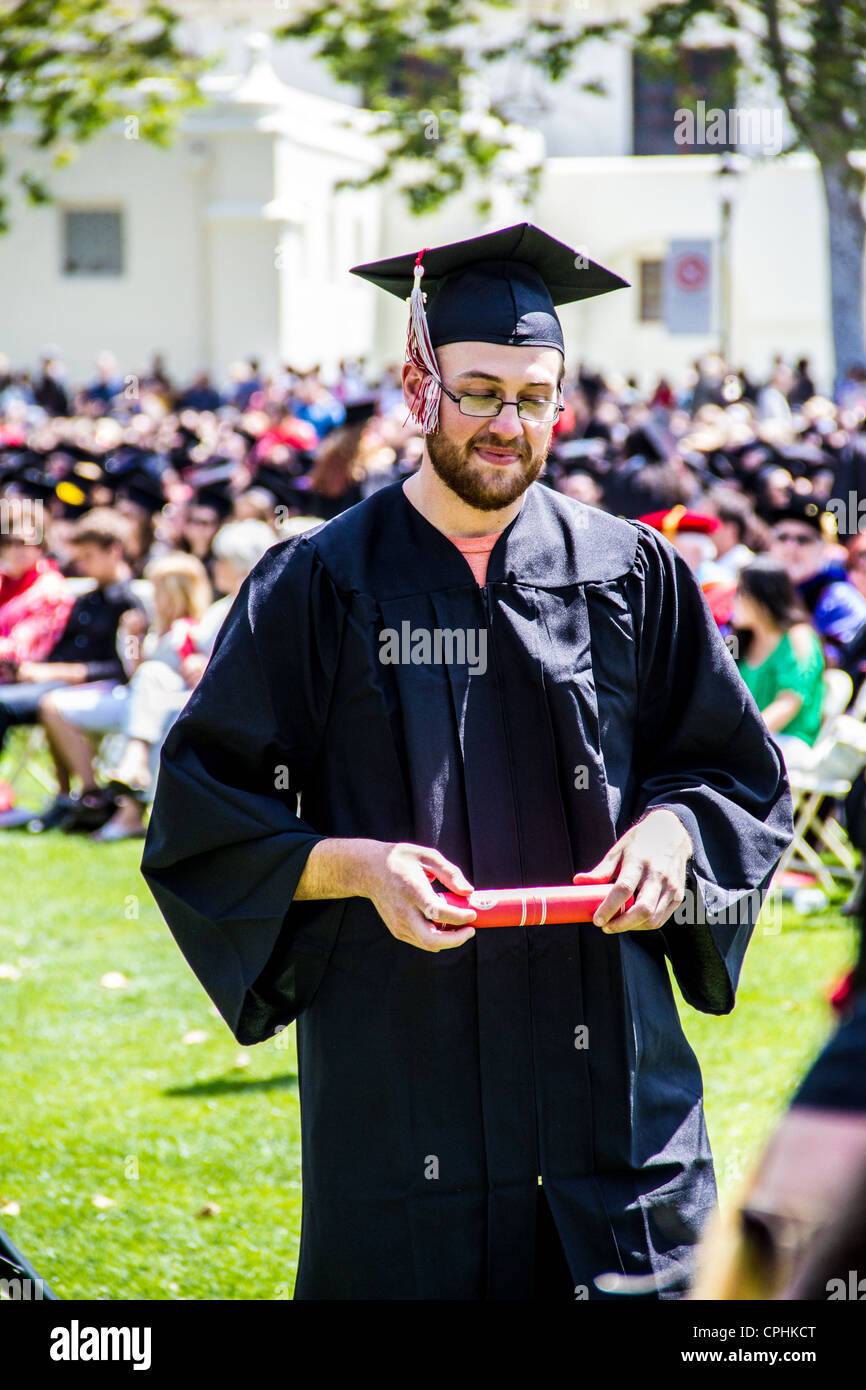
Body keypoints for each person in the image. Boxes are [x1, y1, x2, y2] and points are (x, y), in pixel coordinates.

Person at [142, 223, 793, 1301]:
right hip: (405, 1079)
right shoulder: (318, 583)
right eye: (479, 391)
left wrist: (672, 838)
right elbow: (205, 811)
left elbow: (734, 772)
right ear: (416, 385)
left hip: (613, 1096)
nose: (506, 424)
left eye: (532, 397)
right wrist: (356, 866)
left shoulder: (631, 574)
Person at [0, 508, 143, 760]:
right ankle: (66, 794)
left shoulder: (130, 604)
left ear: (114, 551)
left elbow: (127, 667)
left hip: (102, 689)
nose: (82, 565)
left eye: (88, 556)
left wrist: (134, 639)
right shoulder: (87, 599)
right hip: (51, 680)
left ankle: (87, 792)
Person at [732, 558, 825, 770]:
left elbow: (789, 703)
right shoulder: (737, 640)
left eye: (740, 591)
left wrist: (741, 738)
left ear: (763, 597)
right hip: (743, 740)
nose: (733, 599)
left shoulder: (799, 636)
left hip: (786, 743)